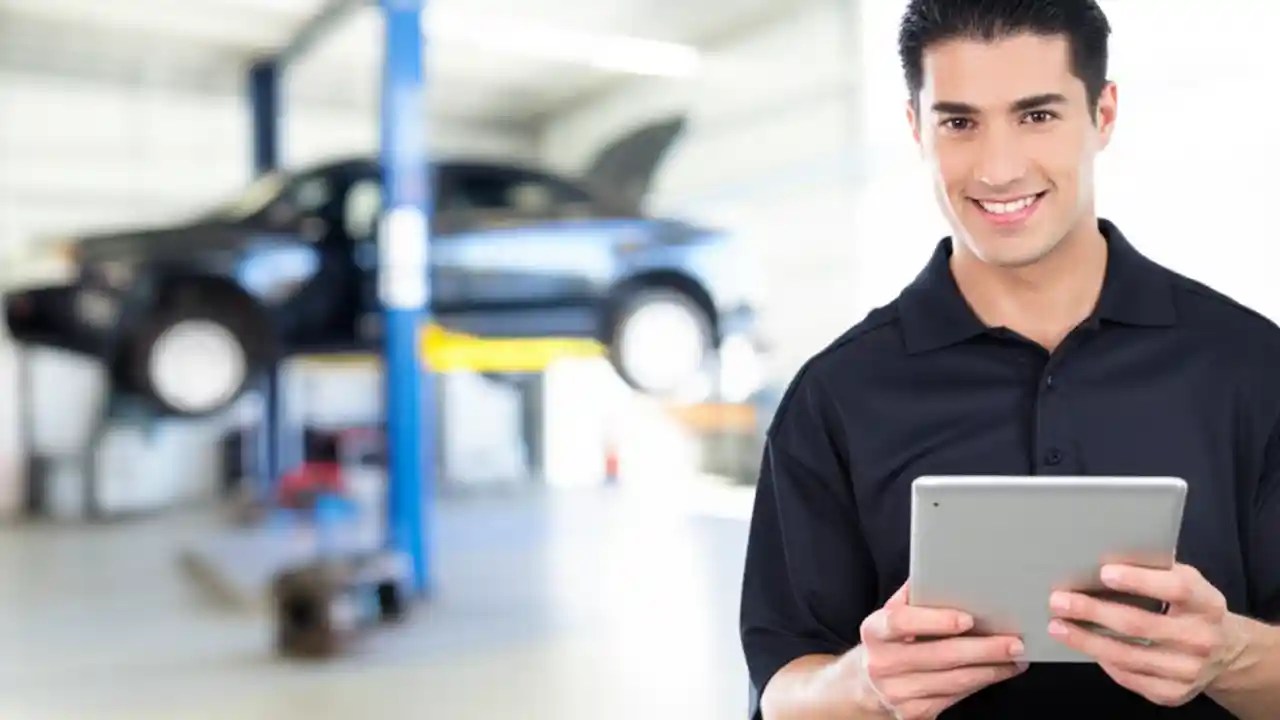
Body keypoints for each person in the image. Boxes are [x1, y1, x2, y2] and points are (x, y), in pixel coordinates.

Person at [738, 1, 1280, 718]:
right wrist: (865, 685)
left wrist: (1229, 655)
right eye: (959, 123)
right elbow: (781, 693)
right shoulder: (835, 395)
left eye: (1037, 115)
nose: (998, 169)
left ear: (1103, 114)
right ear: (916, 127)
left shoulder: (1252, 367)